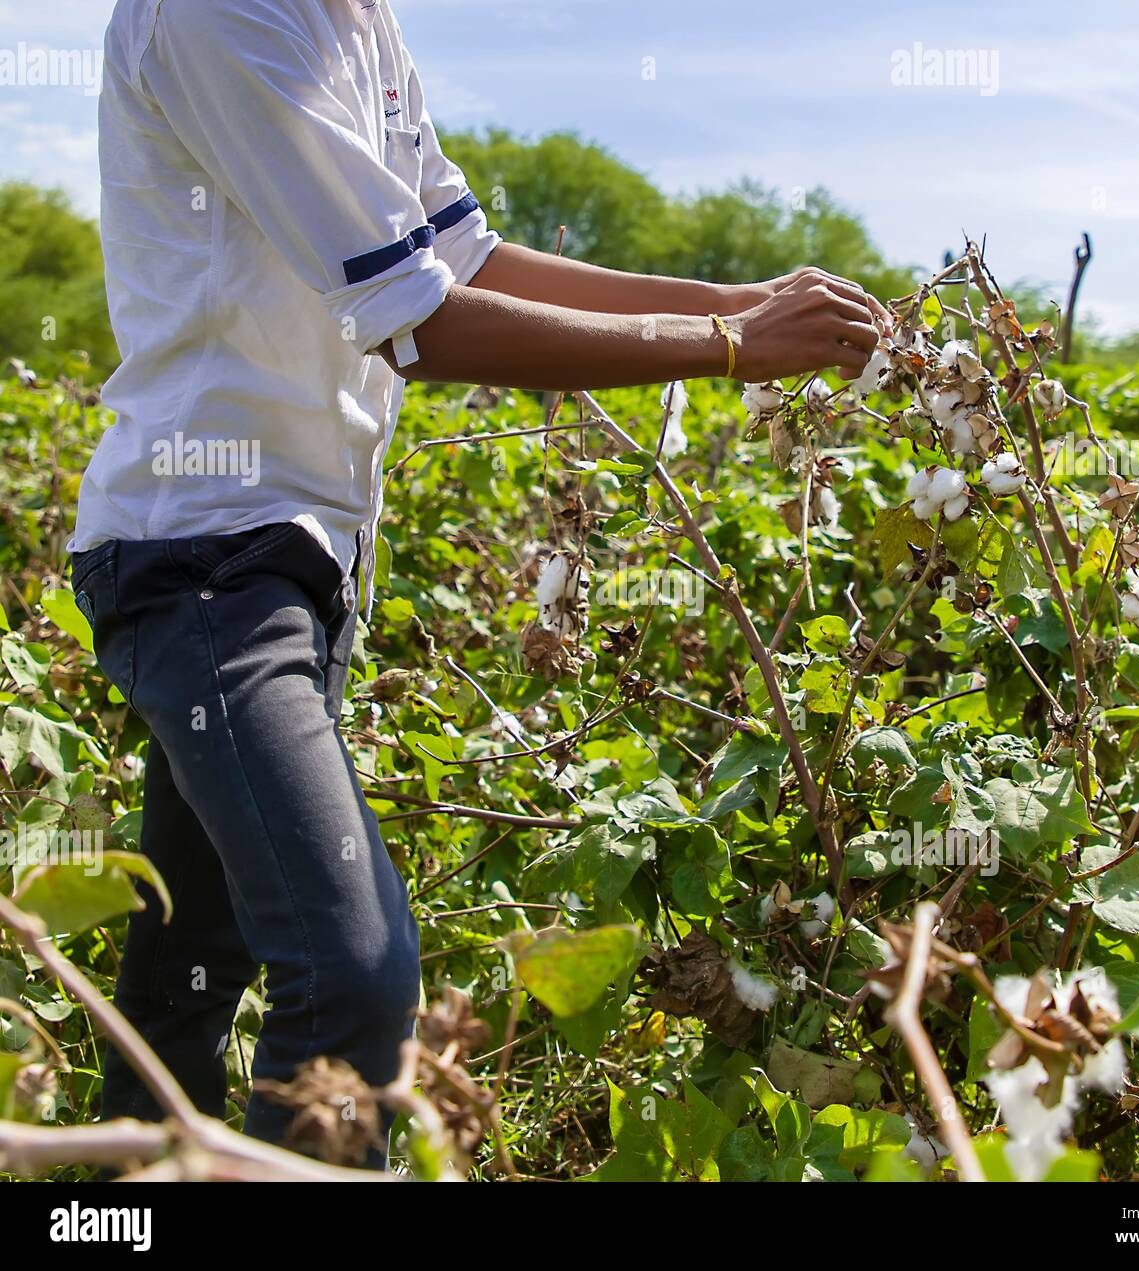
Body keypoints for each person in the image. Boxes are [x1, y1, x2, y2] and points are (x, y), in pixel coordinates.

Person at [69, 0, 888, 1165]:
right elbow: (420, 323)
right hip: (202, 560)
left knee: (185, 975)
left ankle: (105, 1201)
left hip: (300, 558)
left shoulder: (357, 22)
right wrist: (726, 349)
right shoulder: (223, 11)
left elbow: (461, 257)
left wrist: (735, 304)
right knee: (352, 973)